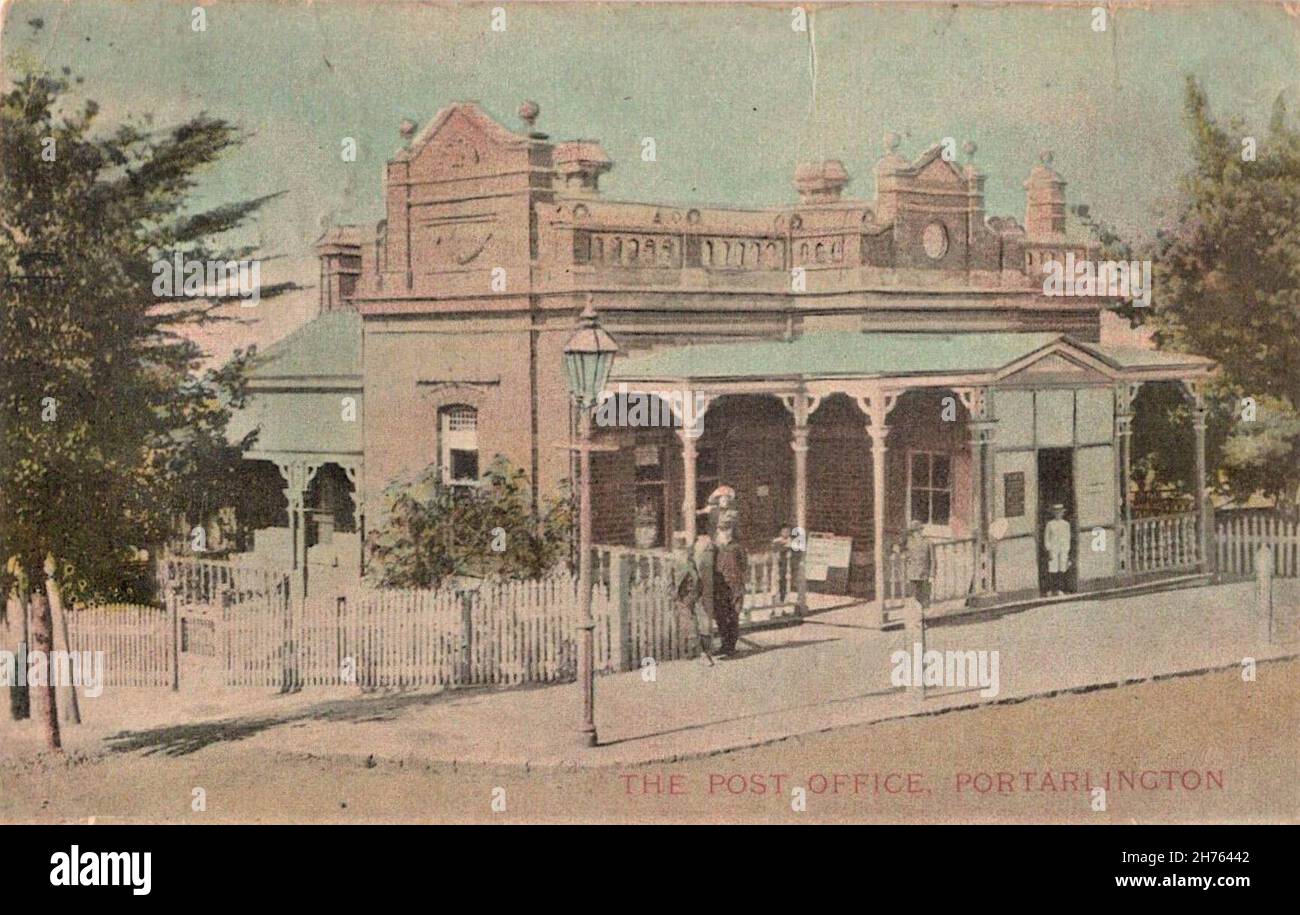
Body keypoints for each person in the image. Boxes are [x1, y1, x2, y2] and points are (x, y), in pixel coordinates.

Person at [672, 533, 715, 665]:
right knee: (696, 621)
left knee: (691, 622)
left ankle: (701, 653)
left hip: (688, 594)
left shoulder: (681, 560)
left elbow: (686, 578)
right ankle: (699, 651)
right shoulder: (691, 557)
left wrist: (677, 592)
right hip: (695, 592)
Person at [711, 525, 747, 657]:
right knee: (721, 616)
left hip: (734, 587)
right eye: (719, 533)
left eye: (722, 532)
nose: (719, 536)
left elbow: (744, 566)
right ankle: (724, 645)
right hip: (720, 588)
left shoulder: (737, 548)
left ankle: (731, 646)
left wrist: (736, 579)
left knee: (733, 616)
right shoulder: (716, 550)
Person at [1044, 503, 1072, 596]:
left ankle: (1061, 589)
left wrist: (1067, 549)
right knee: (1053, 569)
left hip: (1063, 548)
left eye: (1060, 512)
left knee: (1062, 568)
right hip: (1053, 548)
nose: (1058, 514)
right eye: (1056, 512)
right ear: (1053, 513)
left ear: (1062, 513)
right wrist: (1049, 550)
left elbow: (1068, 537)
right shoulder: (1050, 524)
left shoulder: (1066, 524)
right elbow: (1047, 538)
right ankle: (1053, 589)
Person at [904, 519, 932, 610]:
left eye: (918, 530)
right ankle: (916, 619)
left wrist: (932, 574)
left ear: (921, 530)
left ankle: (924, 619)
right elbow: (902, 552)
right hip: (913, 574)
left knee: (925, 598)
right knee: (914, 598)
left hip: (924, 574)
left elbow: (933, 559)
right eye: (914, 531)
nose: (917, 533)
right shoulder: (909, 543)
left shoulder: (928, 542)